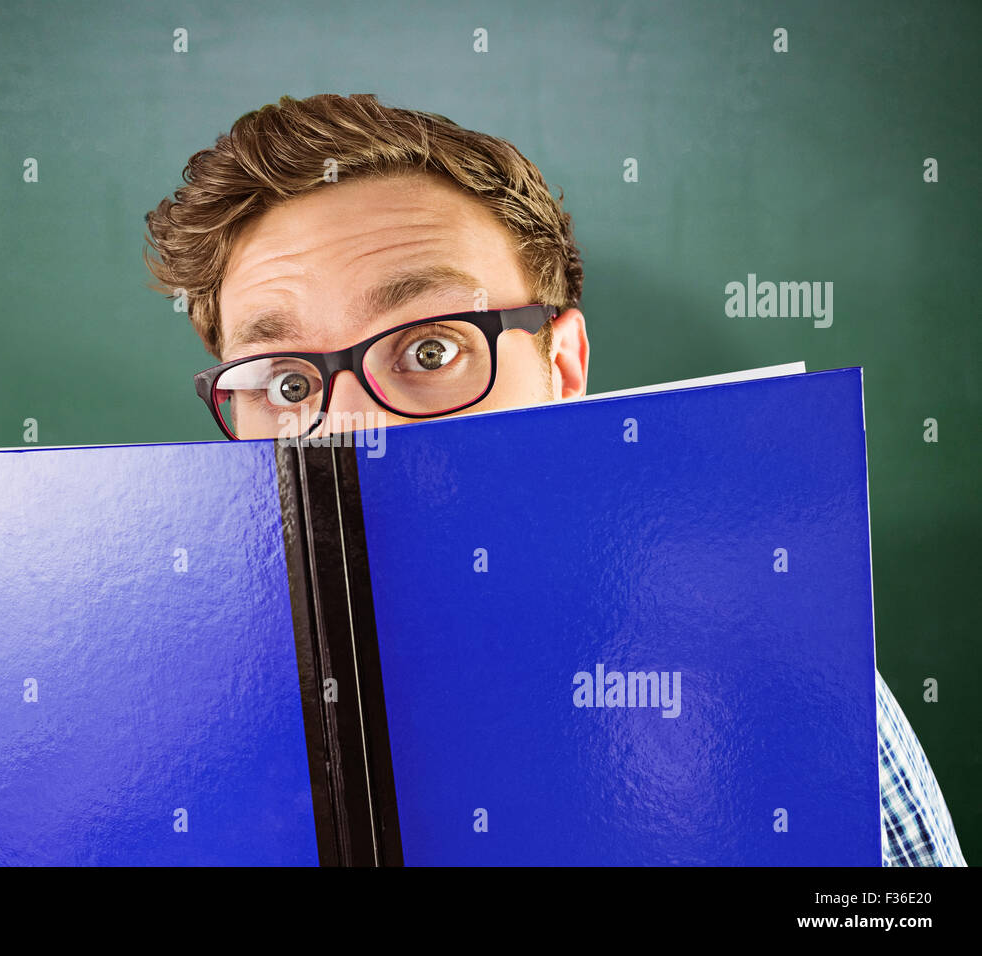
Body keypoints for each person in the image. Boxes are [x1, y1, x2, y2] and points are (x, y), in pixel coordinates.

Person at [142, 92, 965, 865]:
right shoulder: (145, 718)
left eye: (431, 350)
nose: (356, 427)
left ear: (561, 365)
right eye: (286, 385)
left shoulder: (784, 685)